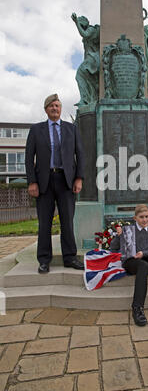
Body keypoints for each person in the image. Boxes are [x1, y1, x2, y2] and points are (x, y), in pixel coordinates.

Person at [25, 94, 85, 273]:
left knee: (67, 222)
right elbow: (29, 158)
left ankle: (70, 257)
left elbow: (80, 155)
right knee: (45, 223)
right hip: (44, 182)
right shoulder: (36, 130)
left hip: (66, 181)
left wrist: (79, 178)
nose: (55, 109)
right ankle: (44, 260)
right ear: (46, 109)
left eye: (57, 106)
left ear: (60, 109)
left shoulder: (71, 129)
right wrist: (32, 182)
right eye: (51, 106)